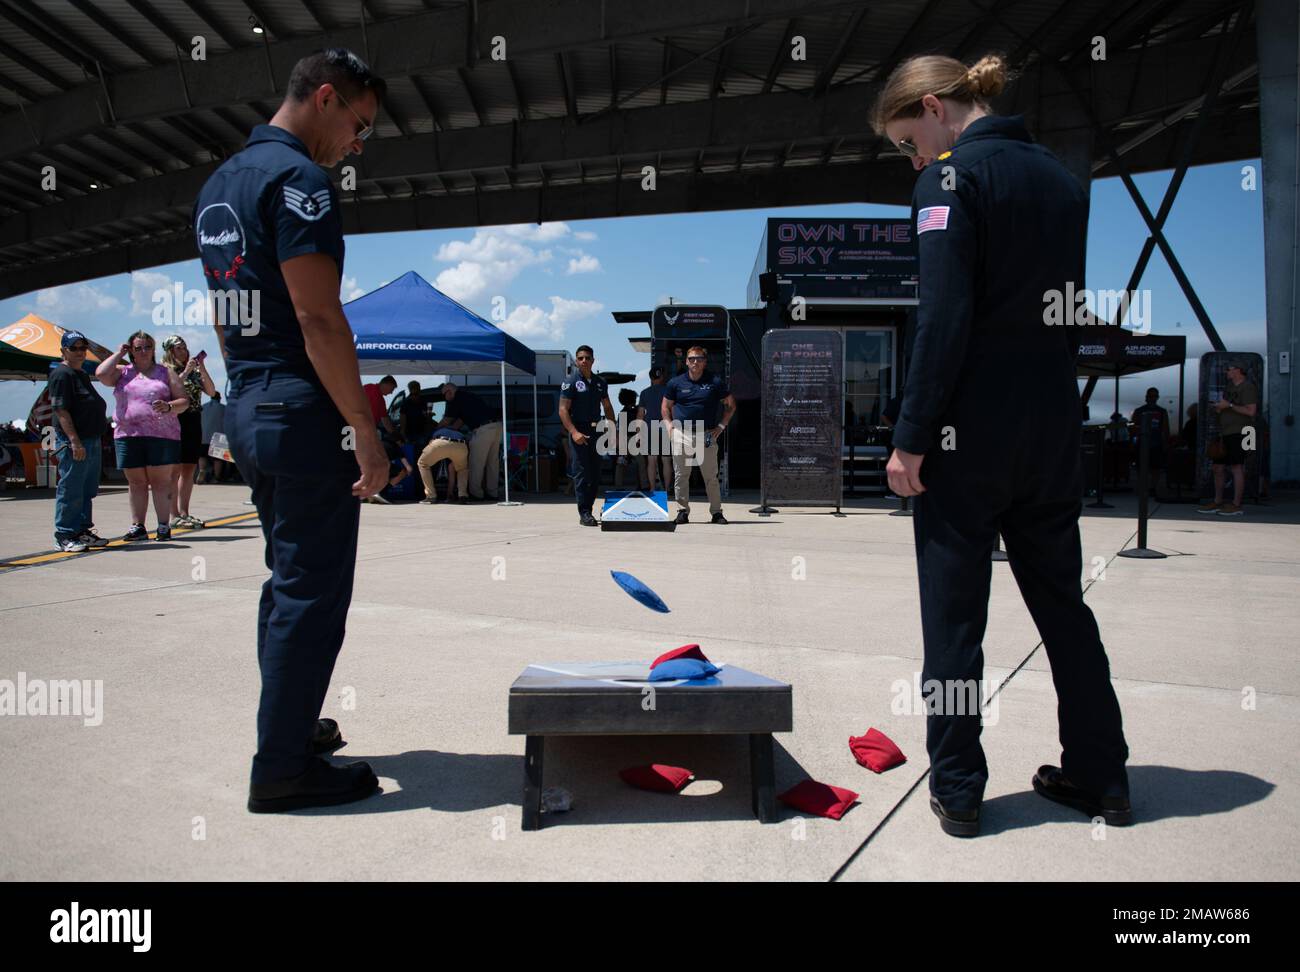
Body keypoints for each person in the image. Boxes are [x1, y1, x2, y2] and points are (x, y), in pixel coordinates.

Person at [874, 53, 1130, 837]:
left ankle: (958, 785)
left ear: (933, 107)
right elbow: (1063, 308)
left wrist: (912, 438)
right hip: (1051, 426)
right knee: (1064, 610)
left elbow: (944, 320)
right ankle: (1101, 776)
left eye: (906, 140)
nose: (911, 160)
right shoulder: (1059, 179)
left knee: (955, 622)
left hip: (966, 437)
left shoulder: (948, 181)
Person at [194, 47, 388, 813]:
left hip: (251, 402)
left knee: (287, 586)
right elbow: (316, 315)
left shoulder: (220, 184)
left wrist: (249, 391)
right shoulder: (300, 180)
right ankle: (281, 769)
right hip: (301, 412)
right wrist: (363, 429)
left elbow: (227, 313)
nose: (358, 146)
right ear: (328, 98)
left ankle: (292, 730)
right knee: (312, 593)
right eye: (359, 125)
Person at [96, 330, 188, 542]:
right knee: (136, 482)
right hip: (128, 434)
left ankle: (163, 526)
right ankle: (138, 526)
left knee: (160, 482)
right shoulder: (122, 372)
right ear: (131, 351)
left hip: (162, 434)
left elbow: (183, 401)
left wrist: (168, 406)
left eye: (147, 347)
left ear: (154, 350)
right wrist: (119, 354)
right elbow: (101, 374)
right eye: (138, 348)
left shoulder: (166, 373)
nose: (144, 351)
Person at [48, 330, 108, 552]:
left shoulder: (80, 373)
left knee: (87, 488)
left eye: (83, 347)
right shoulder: (62, 374)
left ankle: (81, 530)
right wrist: (74, 441)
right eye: (74, 348)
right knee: (71, 488)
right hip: (76, 441)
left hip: (91, 438)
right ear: (64, 350)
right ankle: (64, 534)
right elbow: (61, 410)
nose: (80, 351)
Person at [662, 345, 736, 525]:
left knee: (710, 476)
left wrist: (721, 426)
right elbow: (665, 407)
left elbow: (731, 405)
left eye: (699, 358)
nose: (695, 361)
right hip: (681, 433)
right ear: (686, 361)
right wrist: (670, 427)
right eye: (692, 358)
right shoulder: (675, 383)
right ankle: (682, 511)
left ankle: (717, 513)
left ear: (705, 362)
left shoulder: (715, 382)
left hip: (707, 433)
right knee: (681, 475)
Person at [162, 335, 217, 528]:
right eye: (178, 348)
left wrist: (201, 368)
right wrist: (185, 371)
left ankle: (184, 512)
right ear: (170, 351)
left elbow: (211, 392)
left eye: (184, 347)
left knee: (188, 469)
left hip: (193, 419)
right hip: (175, 421)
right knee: (174, 471)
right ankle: (173, 514)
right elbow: (168, 391)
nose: (183, 351)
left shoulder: (193, 371)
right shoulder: (166, 370)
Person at [558, 345, 615, 526]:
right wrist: (573, 432)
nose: (584, 361)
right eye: (581, 358)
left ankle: (589, 508)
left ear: (593, 360)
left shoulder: (600, 382)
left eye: (587, 358)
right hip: (579, 430)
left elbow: (607, 407)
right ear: (576, 361)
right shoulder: (571, 381)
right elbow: (562, 410)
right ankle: (584, 513)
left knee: (595, 472)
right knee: (582, 472)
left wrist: (612, 428)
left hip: (597, 430)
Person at [1198, 361, 1258, 516]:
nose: (1226, 372)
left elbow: (1251, 411)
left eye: (1229, 369)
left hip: (1241, 431)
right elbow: (1226, 405)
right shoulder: (1229, 387)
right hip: (1225, 431)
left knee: (1236, 466)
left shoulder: (1248, 387)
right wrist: (1219, 408)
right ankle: (1217, 501)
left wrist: (1229, 406)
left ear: (1238, 370)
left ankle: (1236, 504)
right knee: (1217, 467)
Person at [438, 382, 502, 502]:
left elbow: (446, 420)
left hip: (483, 429)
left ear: (449, 391)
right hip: (496, 426)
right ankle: (493, 493)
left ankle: (476, 493)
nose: (445, 398)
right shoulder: (468, 396)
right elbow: (460, 421)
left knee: (476, 463)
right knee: (492, 463)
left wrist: (435, 430)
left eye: (444, 395)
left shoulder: (456, 399)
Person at [637, 366, 673, 493]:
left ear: (650, 378)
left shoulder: (644, 393)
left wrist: (638, 433)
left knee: (651, 461)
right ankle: (667, 489)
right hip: (665, 427)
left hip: (649, 428)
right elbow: (673, 411)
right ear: (662, 377)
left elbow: (640, 415)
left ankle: (652, 488)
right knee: (666, 460)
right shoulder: (668, 391)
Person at [416, 425, 470, 504]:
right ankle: (463, 496)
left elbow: (431, 442)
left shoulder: (438, 430)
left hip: (441, 442)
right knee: (462, 469)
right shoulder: (458, 432)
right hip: (461, 445)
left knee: (422, 463)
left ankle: (431, 496)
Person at [613, 387, 647, 490]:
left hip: (624, 439)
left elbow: (619, 429)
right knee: (641, 463)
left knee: (621, 464)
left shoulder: (622, 413)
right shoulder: (636, 411)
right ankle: (643, 485)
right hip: (634, 439)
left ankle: (618, 485)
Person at [199, 390, 227, 483]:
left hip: (203, 436)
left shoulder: (203, 407)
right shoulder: (223, 408)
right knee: (217, 459)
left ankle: (202, 471)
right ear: (219, 398)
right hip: (218, 437)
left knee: (202, 456)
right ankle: (216, 478)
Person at [399, 380, 430, 448]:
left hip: (421, 432)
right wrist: (403, 431)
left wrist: (428, 417)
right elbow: (402, 418)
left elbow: (426, 417)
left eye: (416, 388)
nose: (415, 389)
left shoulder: (422, 401)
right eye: (413, 388)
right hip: (410, 433)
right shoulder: (406, 403)